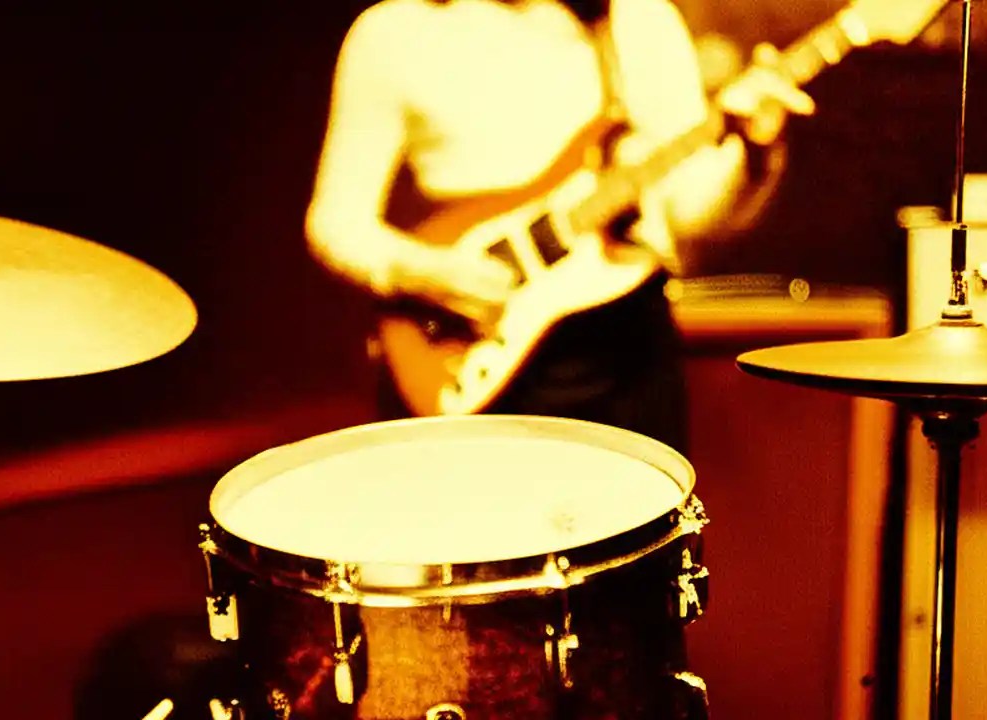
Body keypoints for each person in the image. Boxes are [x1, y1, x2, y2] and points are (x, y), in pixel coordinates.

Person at [304, 0, 814, 451]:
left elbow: (688, 210)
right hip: (470, 341)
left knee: (638, 555)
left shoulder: (634, 19)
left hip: (618, 349)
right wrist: (423, 272)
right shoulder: (395, 32)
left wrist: (756, 152)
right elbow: (336, 220)